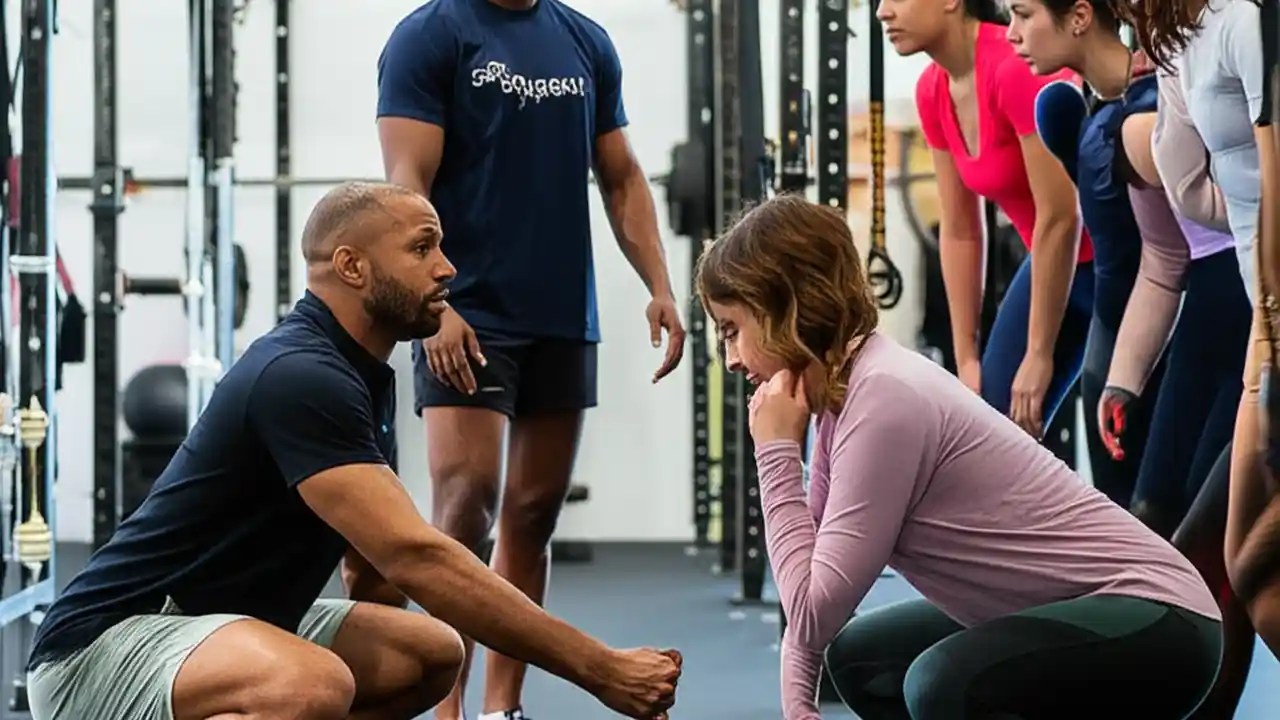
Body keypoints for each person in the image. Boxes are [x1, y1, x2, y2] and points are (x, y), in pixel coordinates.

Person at [23, 183, 682, 720]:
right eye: (423, 248)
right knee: (309, 686)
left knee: (426, 655)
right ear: (351, 266)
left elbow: (371, 573)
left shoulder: (360, 373)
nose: (447, 268)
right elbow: (418, 557)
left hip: (224, 622)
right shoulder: (301, 376)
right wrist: (601, 668)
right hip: (102, 649)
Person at [696, 193, 1223, 720]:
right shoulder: (844, 400)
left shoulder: (884, 397)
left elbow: (812, 613)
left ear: (786, 308)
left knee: (942, 683)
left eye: (732, 330)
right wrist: (798, 712)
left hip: (1159, 623)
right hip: (1081, 612)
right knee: (864, 660)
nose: (732, 359)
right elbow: (810, 596)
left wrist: (776, 453)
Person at [374, 3, 686, 717]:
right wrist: (433, 307)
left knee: (534, 512)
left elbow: (623, 176)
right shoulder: (432, 35)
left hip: (561, 314)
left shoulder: (585, 41)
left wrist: (661, 285)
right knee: (466, 505)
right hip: (469, 311)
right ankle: (443, 705)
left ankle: (500, 707)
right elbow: (403, 189)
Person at [1007, 0, 1255, 712]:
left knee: (1223, 546)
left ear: (1084, 17)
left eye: (1024, 14)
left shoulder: (1205, 58)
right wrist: (1122, 381)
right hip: (1206, 310)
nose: (1015, 33)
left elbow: (1225, 204)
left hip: (1249, 304)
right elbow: (1162, 256)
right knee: (1152, 522)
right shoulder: (1113, 105)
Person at [1125, 0, 1280, 657]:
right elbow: (1191, 189)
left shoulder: (1245, 20)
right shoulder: (1182, 42)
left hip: (1272, 317)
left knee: (1245, 564)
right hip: (1262, 314)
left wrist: (1271, 324)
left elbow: (1276, 184)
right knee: (1240, 566)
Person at [880, 0, 1092, 440]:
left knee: (1123, 456)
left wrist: (1039, 352)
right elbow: (959, 230)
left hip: (1113, 265)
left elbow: (1061, 215)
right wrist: (966, 359)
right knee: (989, 430)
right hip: (1053, 264)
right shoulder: (932, 89)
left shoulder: (1015, 66)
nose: (882, 11)